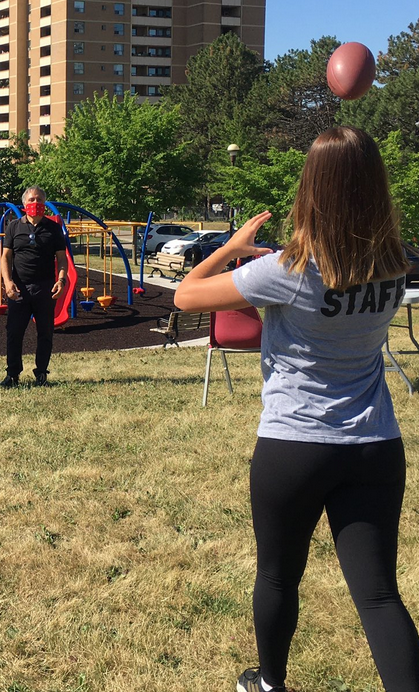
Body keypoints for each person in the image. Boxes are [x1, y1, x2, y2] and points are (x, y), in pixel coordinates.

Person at [175, 127, 419, 692]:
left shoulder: (287, 269)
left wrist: (230, 249)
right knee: (380, 595)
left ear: (311, 189)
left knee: (279, 577)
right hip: (375, 446)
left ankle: (270, 683)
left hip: (294, 447)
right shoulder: (395, 263)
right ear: (377, 188)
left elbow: (186, 296)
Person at [0, 186, 68, 387]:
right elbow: (5, 256)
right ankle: (12, 375)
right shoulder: (13, 226)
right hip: (19, 289)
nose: (35, 204)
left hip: (45, 288)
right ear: (24, 204)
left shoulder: (53, 228)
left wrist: (61, 279)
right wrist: (7, 282)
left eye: (39, 200)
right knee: (14, 332)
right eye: (31, 200)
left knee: (45, 332)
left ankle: (41, 374)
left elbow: (62, 259)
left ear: (44, 204)